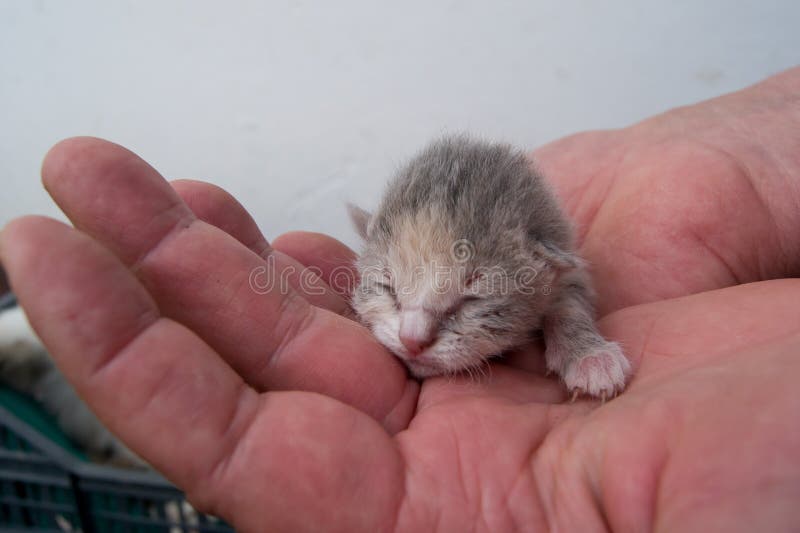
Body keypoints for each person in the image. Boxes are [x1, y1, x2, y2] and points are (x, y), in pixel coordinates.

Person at [1, 67, 799, 532]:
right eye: (383, 289)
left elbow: (572, 283)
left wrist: (577, 337)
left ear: (545, 271)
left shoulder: (553, 267)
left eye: (465, 308)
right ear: (369, 246)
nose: (413, 338)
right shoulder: (393, 268)